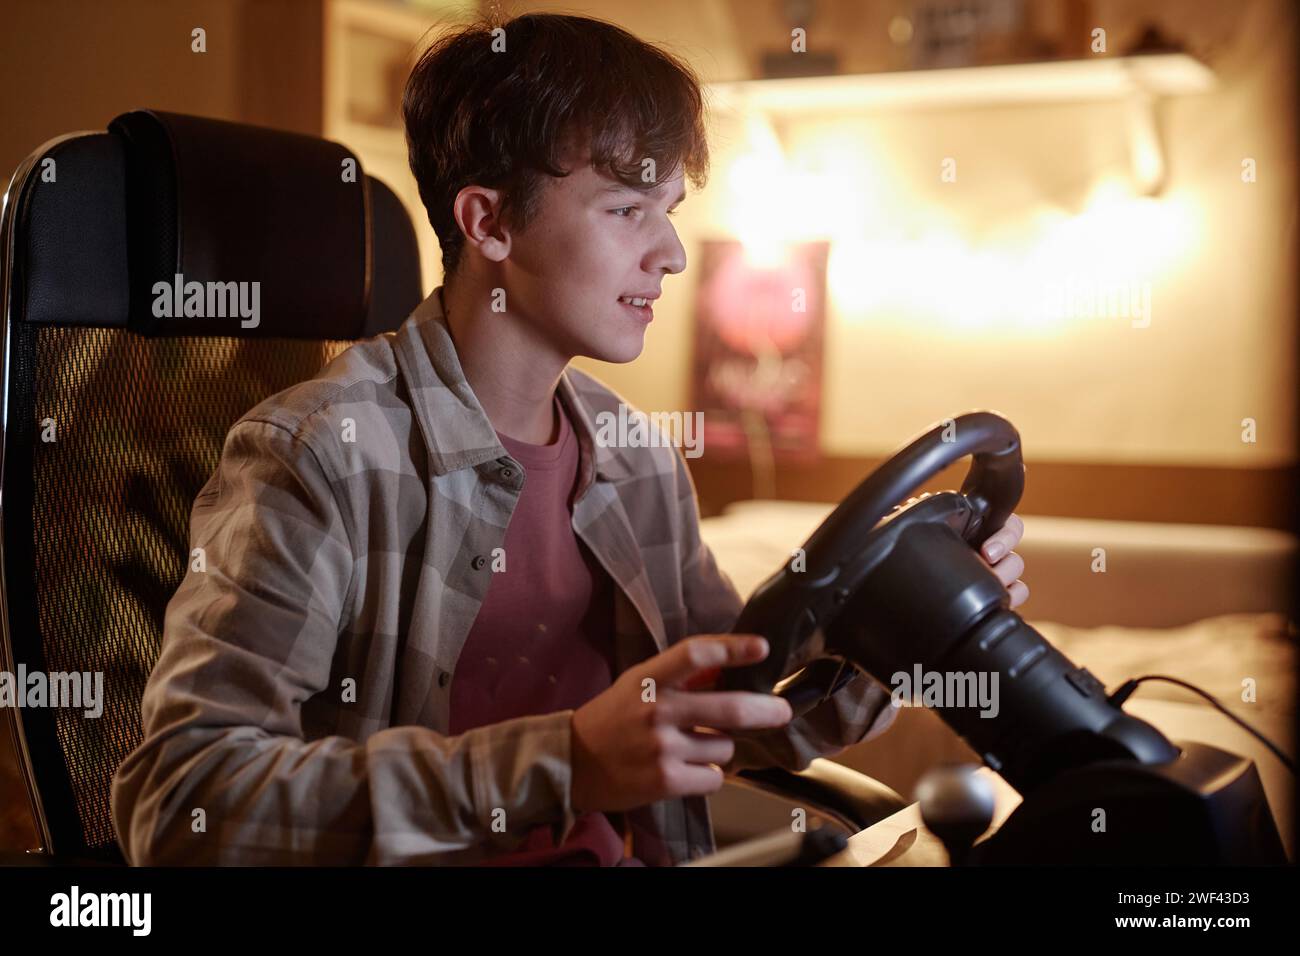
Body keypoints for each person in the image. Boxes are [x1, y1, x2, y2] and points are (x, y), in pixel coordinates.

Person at [111, 11, 1028, 867]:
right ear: (490, 222)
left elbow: (734, 724)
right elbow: (182, 799)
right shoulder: (320, 454)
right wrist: (566, 762)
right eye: (626, 209)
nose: (670, 253)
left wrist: (898, 631)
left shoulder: (634, 456)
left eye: (667, 208)